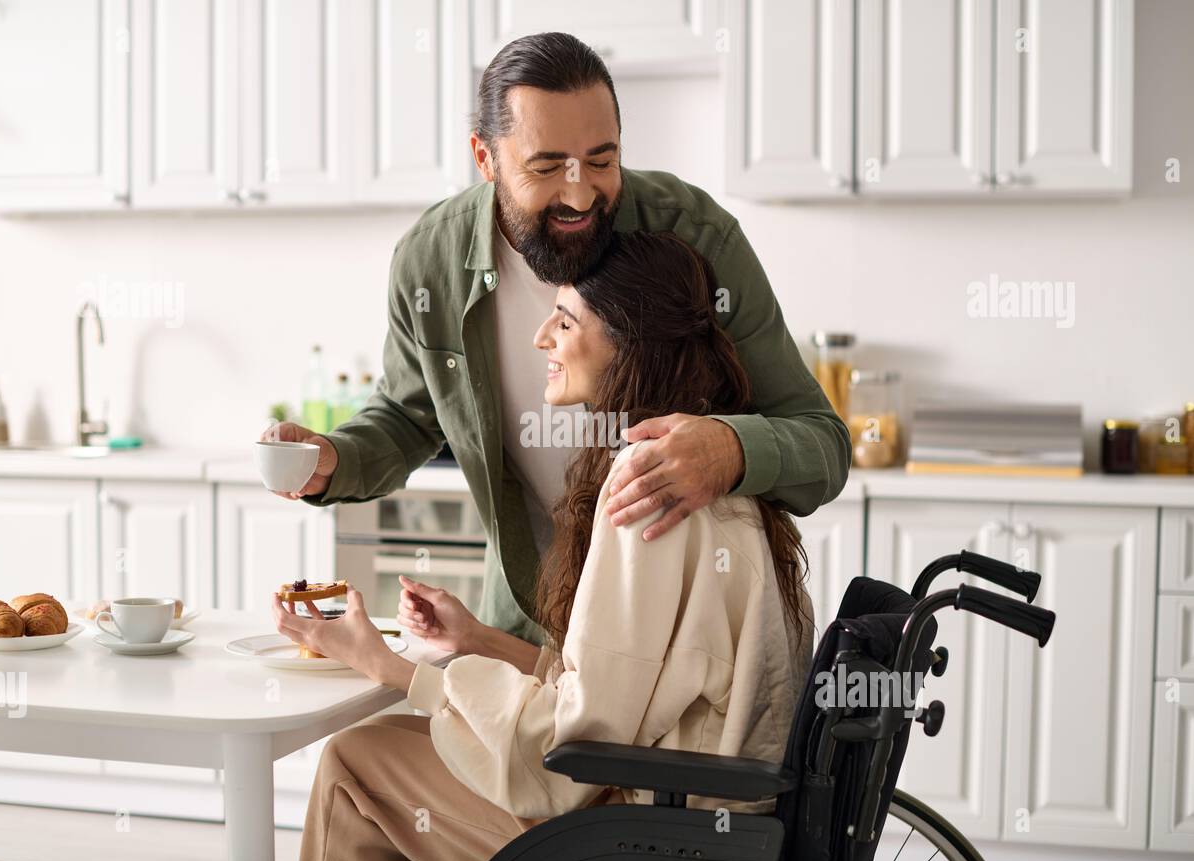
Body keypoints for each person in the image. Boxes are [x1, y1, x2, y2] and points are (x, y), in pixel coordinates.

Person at [263, 32, 849, 647]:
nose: (579, 193)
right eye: (546, 168)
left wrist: (729, 448)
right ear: (485, 159)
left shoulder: (693, 236)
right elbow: (408, 419)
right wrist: (333, 460)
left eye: (602, 161)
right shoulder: (428, 261)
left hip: (687, 638)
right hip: (524, 625)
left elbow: (824, 444)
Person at [273, 232, 815, 861]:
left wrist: (384, 664)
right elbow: (623, 691)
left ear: (627, 342)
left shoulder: (645, 484)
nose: (541, 339)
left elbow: (568, 750)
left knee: (350, 762)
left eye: (565, 321)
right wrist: (476, 640)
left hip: (646, 836)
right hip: (712, 817)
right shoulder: (708, 463)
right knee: (384, 744)